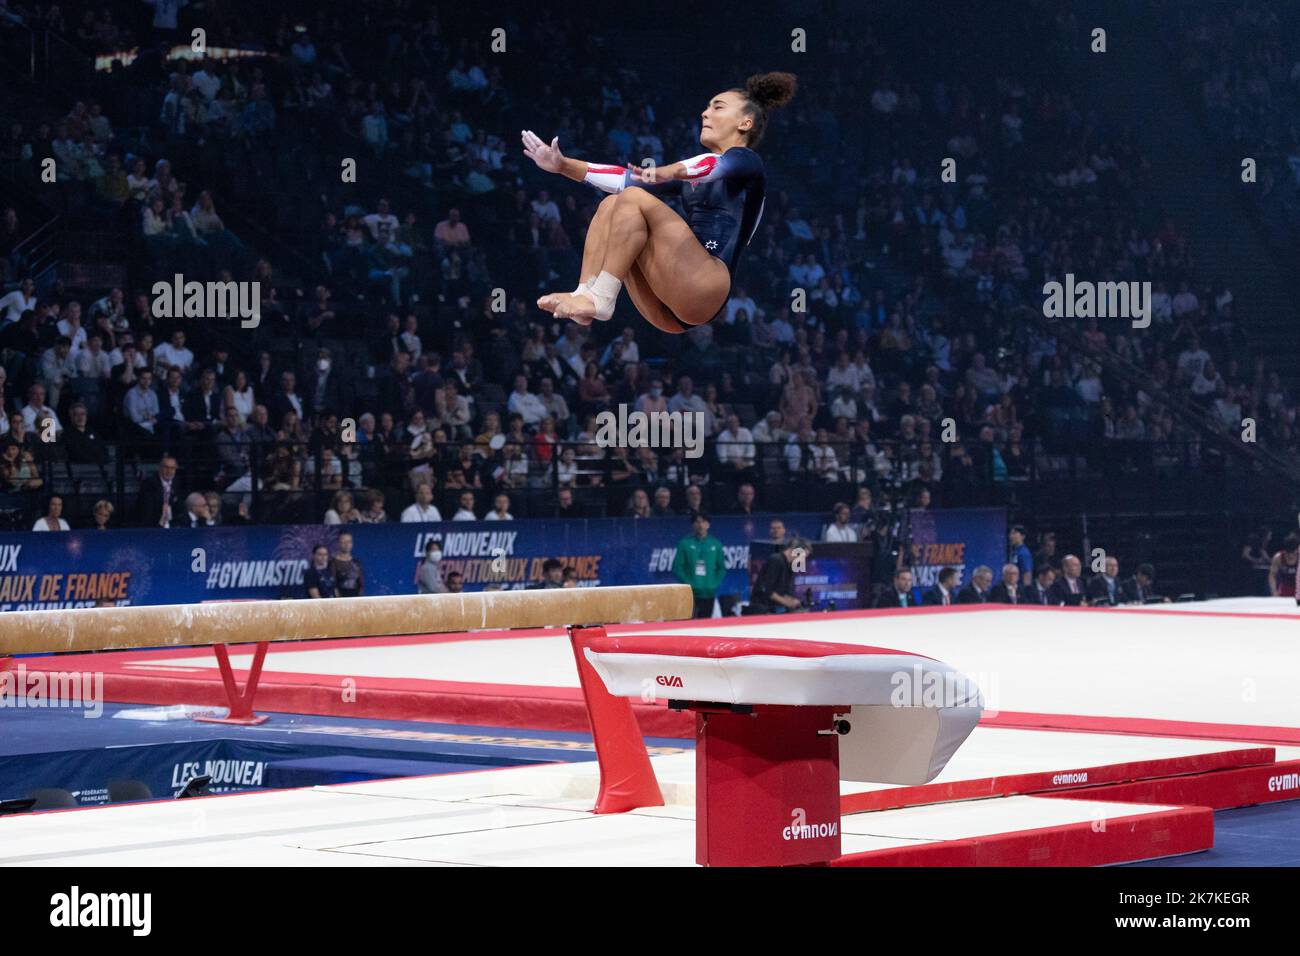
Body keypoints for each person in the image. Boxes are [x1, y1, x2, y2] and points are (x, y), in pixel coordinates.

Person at [525, 72, 797, 331]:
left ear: (745, 123)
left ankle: (600, 299)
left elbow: (716, 165)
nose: (705, 113)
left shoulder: (748, 162)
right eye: (707, 107)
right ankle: (586, 294)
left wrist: (670, 170)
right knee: (612, 204)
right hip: (671, 307)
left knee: (632, 198)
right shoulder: (695, 173)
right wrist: (562, 165)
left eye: (718, 107)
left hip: (708, 283)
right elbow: (623, 179)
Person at [672, 512, 728, 618]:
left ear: (708, 524)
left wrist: (713, 584)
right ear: (693, 525)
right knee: (689, 623)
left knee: (705, 624)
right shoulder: (685, 543)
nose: (700, 525)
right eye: (697, 522)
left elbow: (721, 568)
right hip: (691, 594)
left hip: (709, 593)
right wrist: (689, 584)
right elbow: (677, 567)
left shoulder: (715, 544)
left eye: (703, 522)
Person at [748, 537, 810, 614]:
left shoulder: (789, 566)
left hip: (774, 608)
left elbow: (781, 591)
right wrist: (786, 602)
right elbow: (768, 591)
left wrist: (792, 601)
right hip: (762, 609)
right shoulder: (776, 560)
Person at [330, 532, 364, 597]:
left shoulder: (357, 563)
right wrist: (338, 599)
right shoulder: (333, 563)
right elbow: (333, 584)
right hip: (340, 598)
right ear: (338, 543)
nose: (347, 544)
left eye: (349, 541)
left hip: (355, 597)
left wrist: (360, 598)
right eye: (344, 541)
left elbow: (361, 583)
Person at [1268, 534, 1299, 599]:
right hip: (1285, 589)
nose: (1291, 556)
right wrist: (1274, 591)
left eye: (1293, 553)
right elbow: (1272, 575)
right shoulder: (1278, 557)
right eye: (1288, 553)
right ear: (1284, 550)